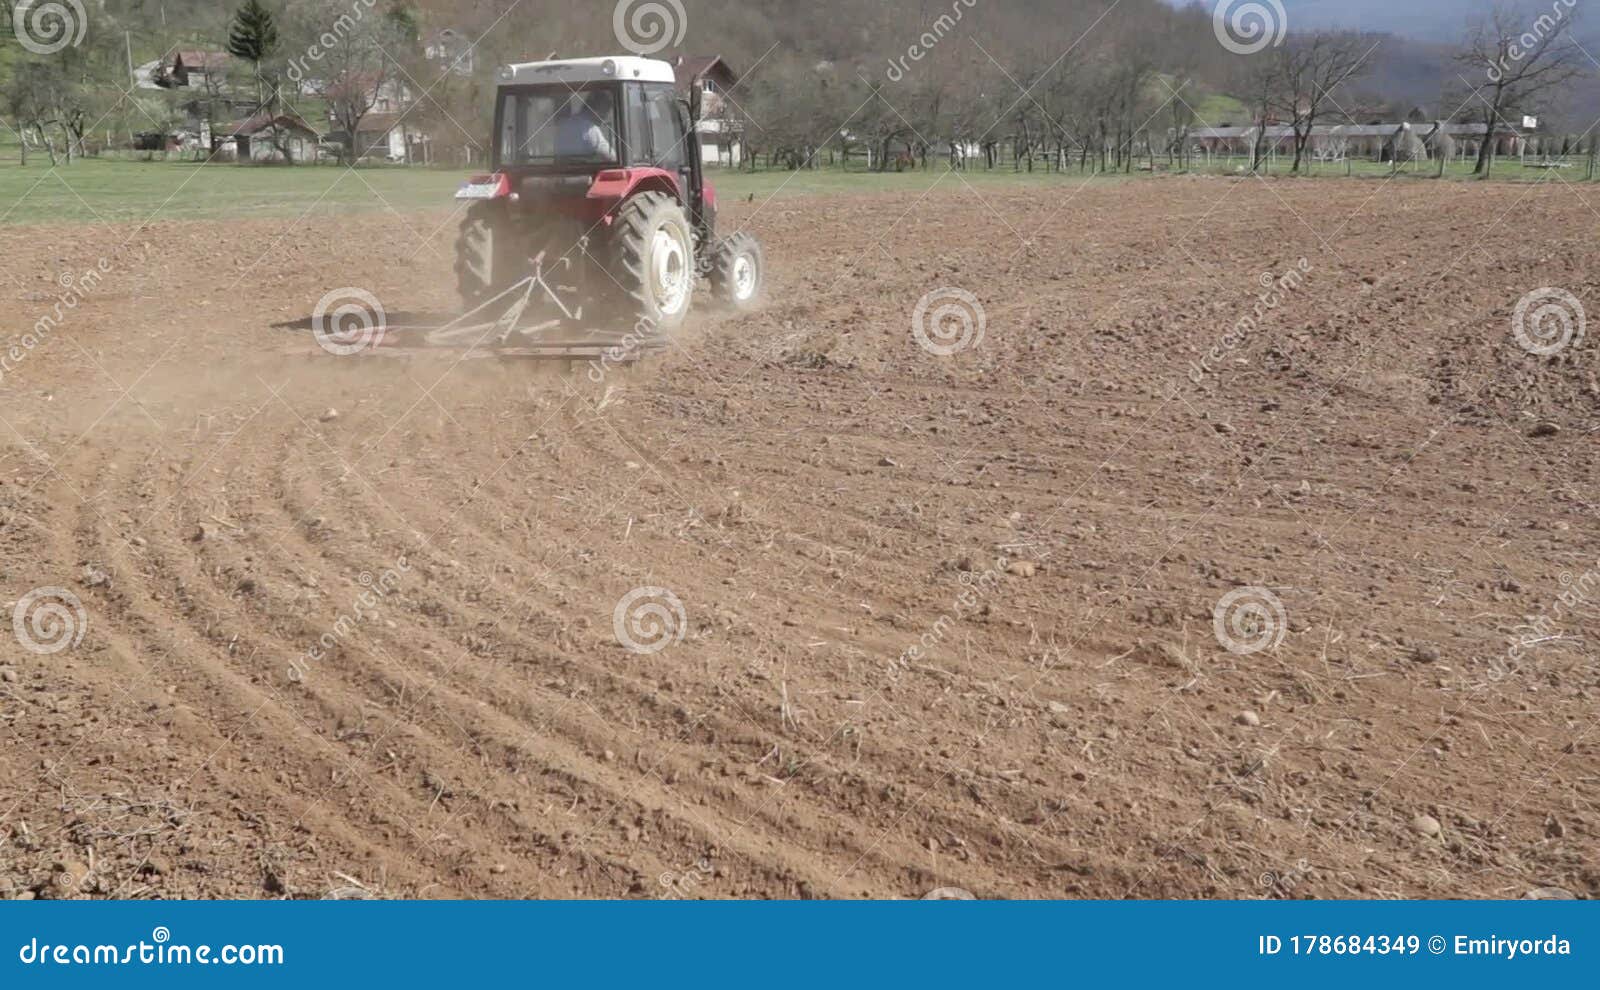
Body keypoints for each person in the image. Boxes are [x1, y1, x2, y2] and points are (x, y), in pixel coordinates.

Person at [555, 93, 615, 160]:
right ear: (596, 109)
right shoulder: (589, 129)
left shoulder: (565, 125)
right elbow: (610, 157)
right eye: (605, 111)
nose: (605, 117)